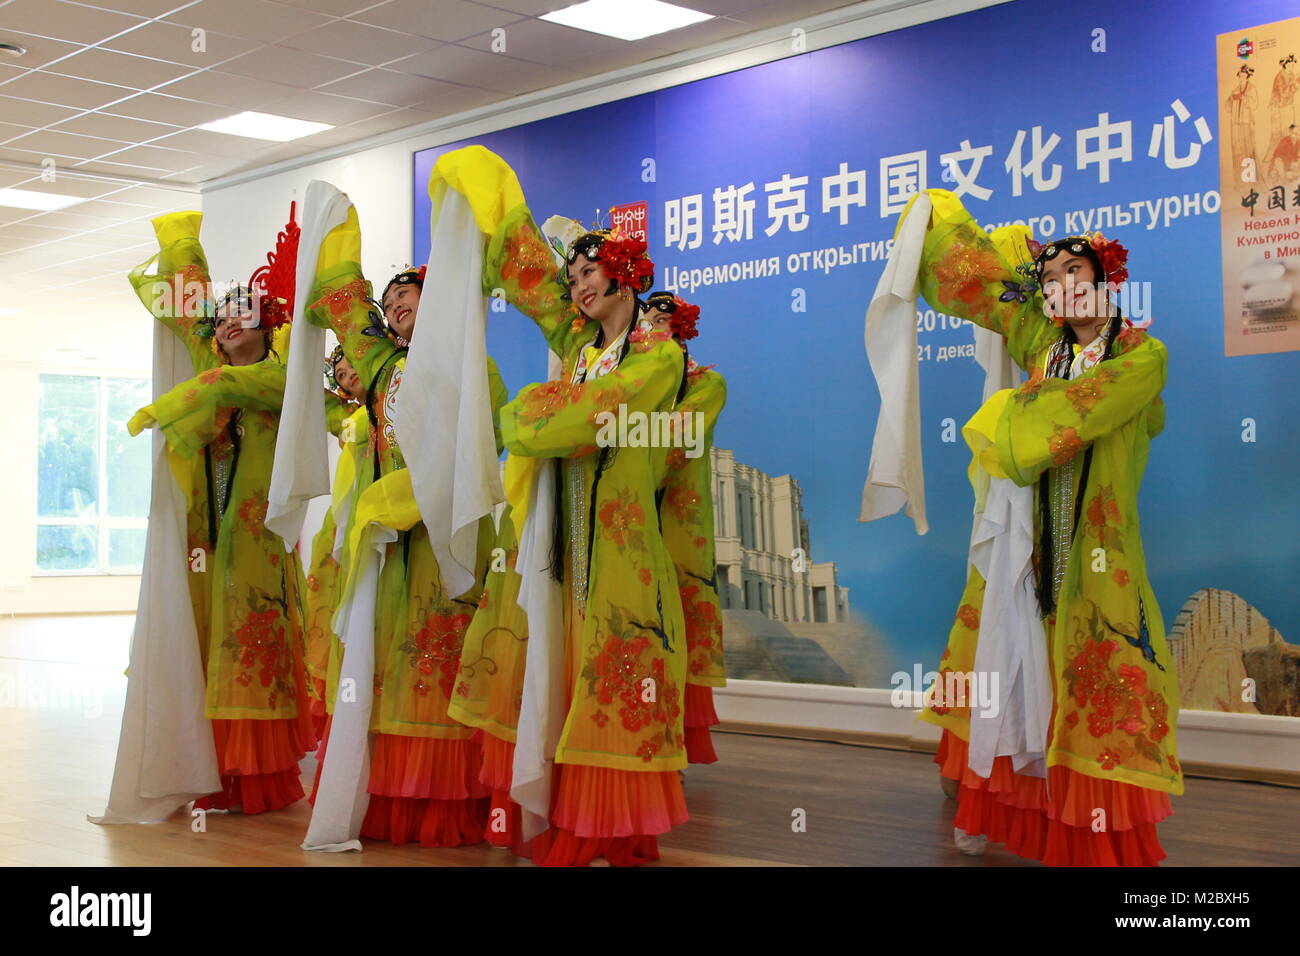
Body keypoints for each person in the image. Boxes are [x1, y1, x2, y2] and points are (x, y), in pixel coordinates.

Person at [902, 189, 1181, 866]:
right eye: (1048, 279)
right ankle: (989, 802)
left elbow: (1075, 413)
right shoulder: (1039, 339)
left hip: (1096, 551)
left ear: (1105, 279)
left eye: (1073, 274)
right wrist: (934, 216)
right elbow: (974, 281)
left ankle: (1092, 838)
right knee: (998, 655)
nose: (1057, 288)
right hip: (1021, 544)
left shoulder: (1141, 358)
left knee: (1093, 680)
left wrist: (1006, 412)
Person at [302, 226, 508, 845]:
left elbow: (480, 441)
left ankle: (448, 804)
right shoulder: (379, 364)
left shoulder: (469, 366)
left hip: (443, 529)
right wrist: (333, 224)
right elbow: (340, 305)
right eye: (390, 304)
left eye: (410, 298)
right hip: (388, 539)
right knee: (386, 656)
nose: (397, 307)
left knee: (437, 648)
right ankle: (386, 800)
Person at [124, 210, 334, 813]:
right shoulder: (212, 366)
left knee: (249, 640)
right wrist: (181, 239)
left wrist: (166, 408)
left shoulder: (278, 380)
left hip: (254, 542)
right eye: (223, 315)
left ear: (270, 322)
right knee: (204, 639)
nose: (228, 321)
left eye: (244, 311)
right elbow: (185, 305)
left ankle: (255, 776)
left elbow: (228, 388)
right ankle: (203, 769)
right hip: (202, 535)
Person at [643, 291, 727, 764]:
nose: (652, 326)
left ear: (681, 328)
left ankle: (670, 748)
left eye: (661, 318)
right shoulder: (629, 377)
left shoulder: (707, 385)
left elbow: (675, 440)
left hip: (678, 518)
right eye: (647, 318)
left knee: (677, 631)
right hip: (631, 514)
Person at [302, 345, 366, 744]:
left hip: (381, 513)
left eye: (351, 367)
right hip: (342, 522)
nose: (347, 376)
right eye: (339, 374)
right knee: (330, 610)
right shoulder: (343, 416)